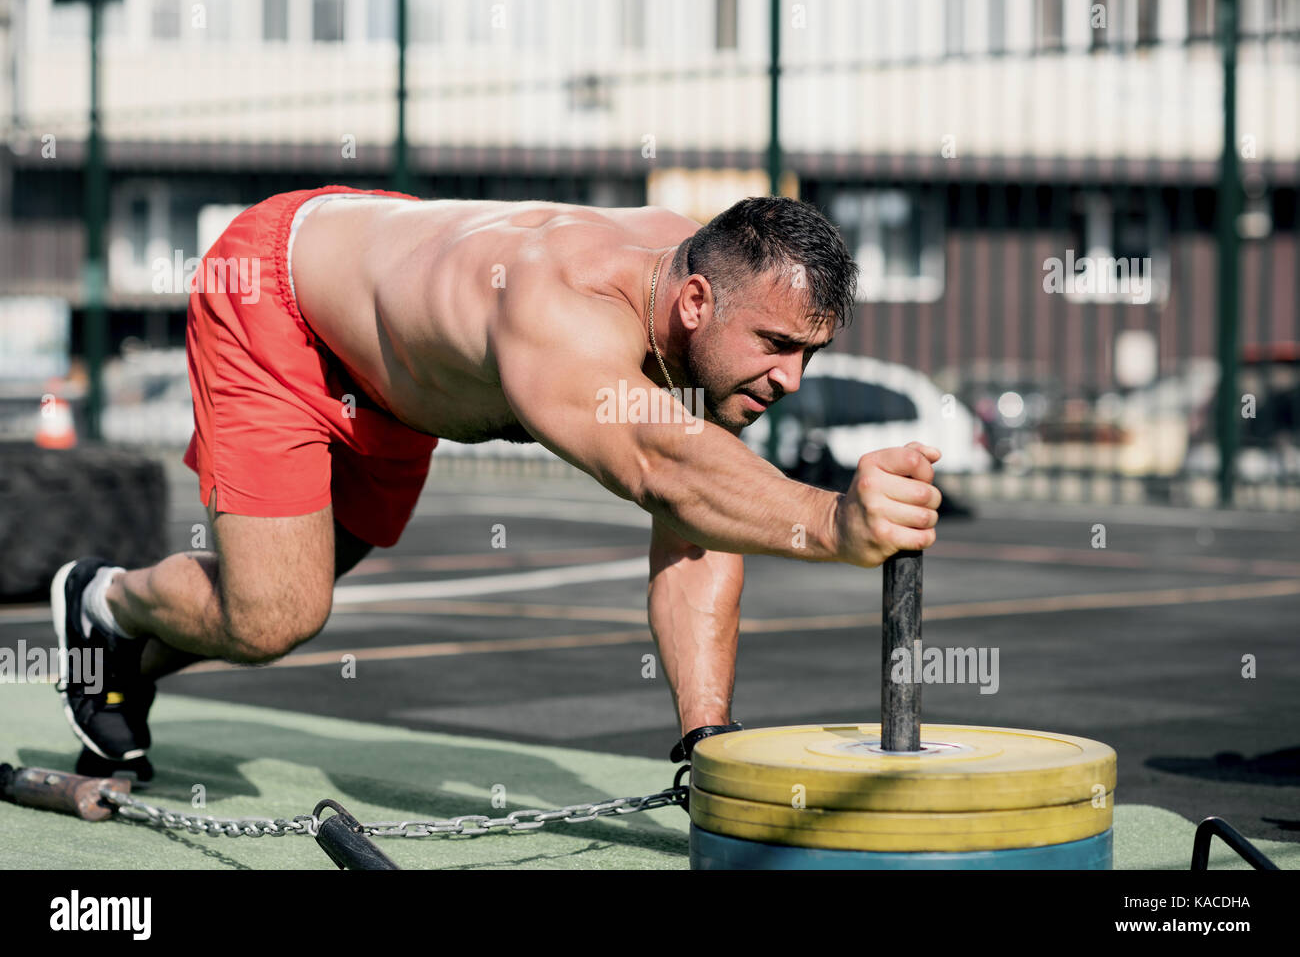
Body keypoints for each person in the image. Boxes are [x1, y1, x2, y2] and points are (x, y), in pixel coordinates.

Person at [52, 187, 942, 780]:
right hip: (277, 298)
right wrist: (831, 520)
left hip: (392, 340)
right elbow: (667, 467)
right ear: (698, 303)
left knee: (314, 565)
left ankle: (119, 654)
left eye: (807, 353)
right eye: (778, 347)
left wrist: (703, 741)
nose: (790, 379)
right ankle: (106, 604)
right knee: (277, 610)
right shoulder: (562, 306)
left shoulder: (697, 295)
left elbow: (697, 515)